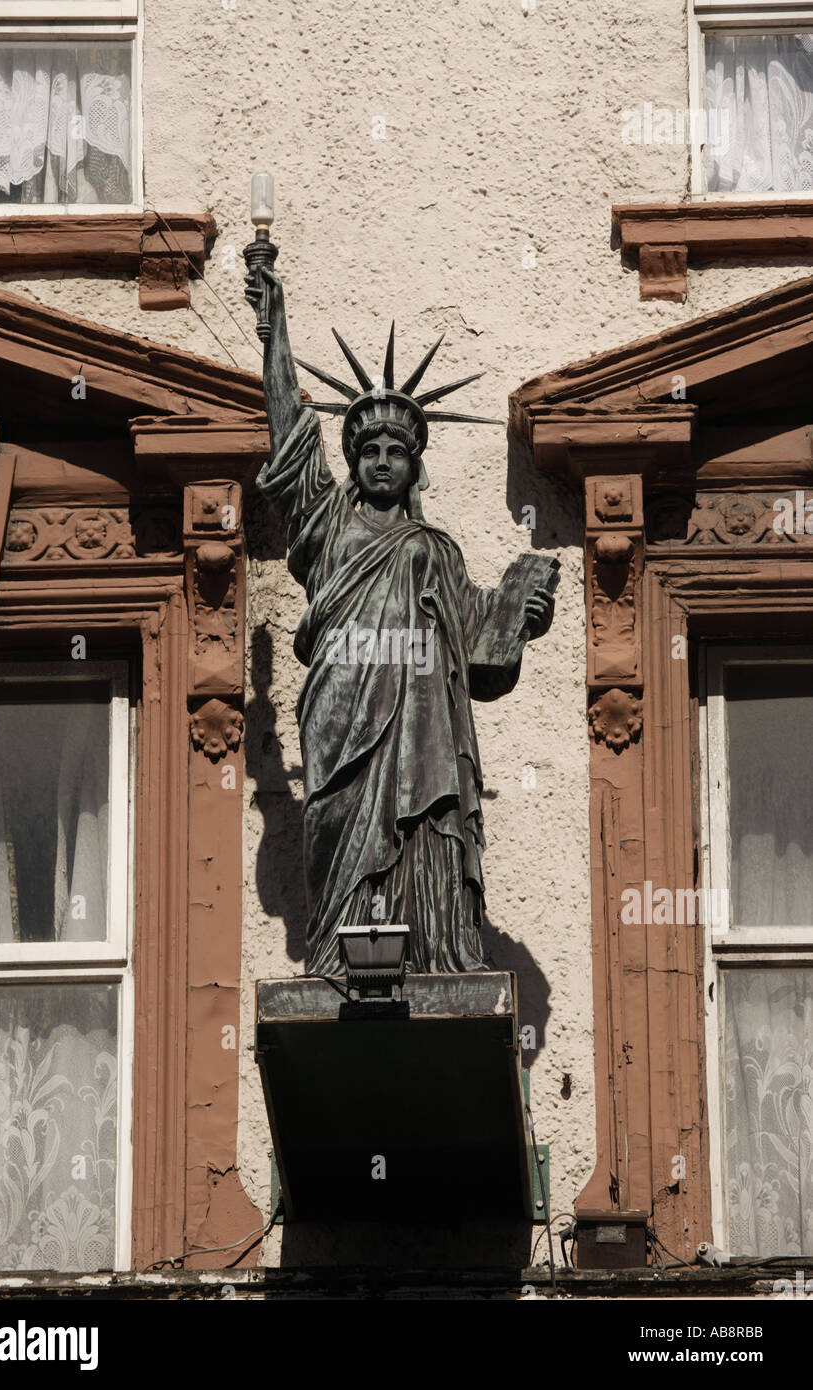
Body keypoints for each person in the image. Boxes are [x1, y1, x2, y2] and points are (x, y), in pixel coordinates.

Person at [246, 265, 557, 974]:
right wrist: (275, 332)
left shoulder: (435, 550)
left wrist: (523, 607)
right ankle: (341, 950)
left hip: (424, 726)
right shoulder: (326, 527)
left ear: (414, 465)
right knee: (339, 823)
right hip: (342, 711)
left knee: (426, 822)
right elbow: (292, 435)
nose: (383, 461)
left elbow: (481, 649)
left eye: (397, 452)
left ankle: (437, 951)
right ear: (353, 463)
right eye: (369, 451)